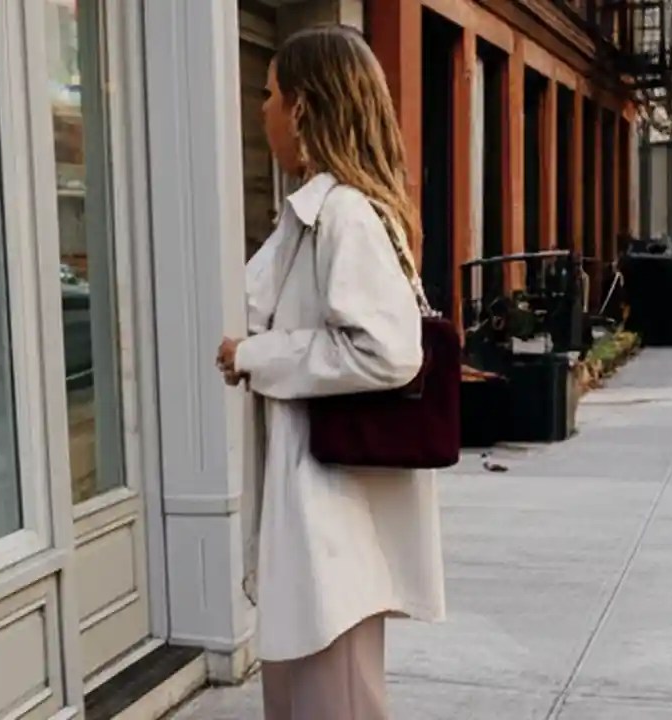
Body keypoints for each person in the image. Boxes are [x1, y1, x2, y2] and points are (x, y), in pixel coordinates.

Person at [214, 25, 446, 720]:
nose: (263, 111)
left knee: (334, 700)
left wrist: (254, 356)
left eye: (272, 95)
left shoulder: (344, 214)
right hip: (316, 508)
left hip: (333, 516)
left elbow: (387, 349)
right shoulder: (317, 214)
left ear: (306, 109)